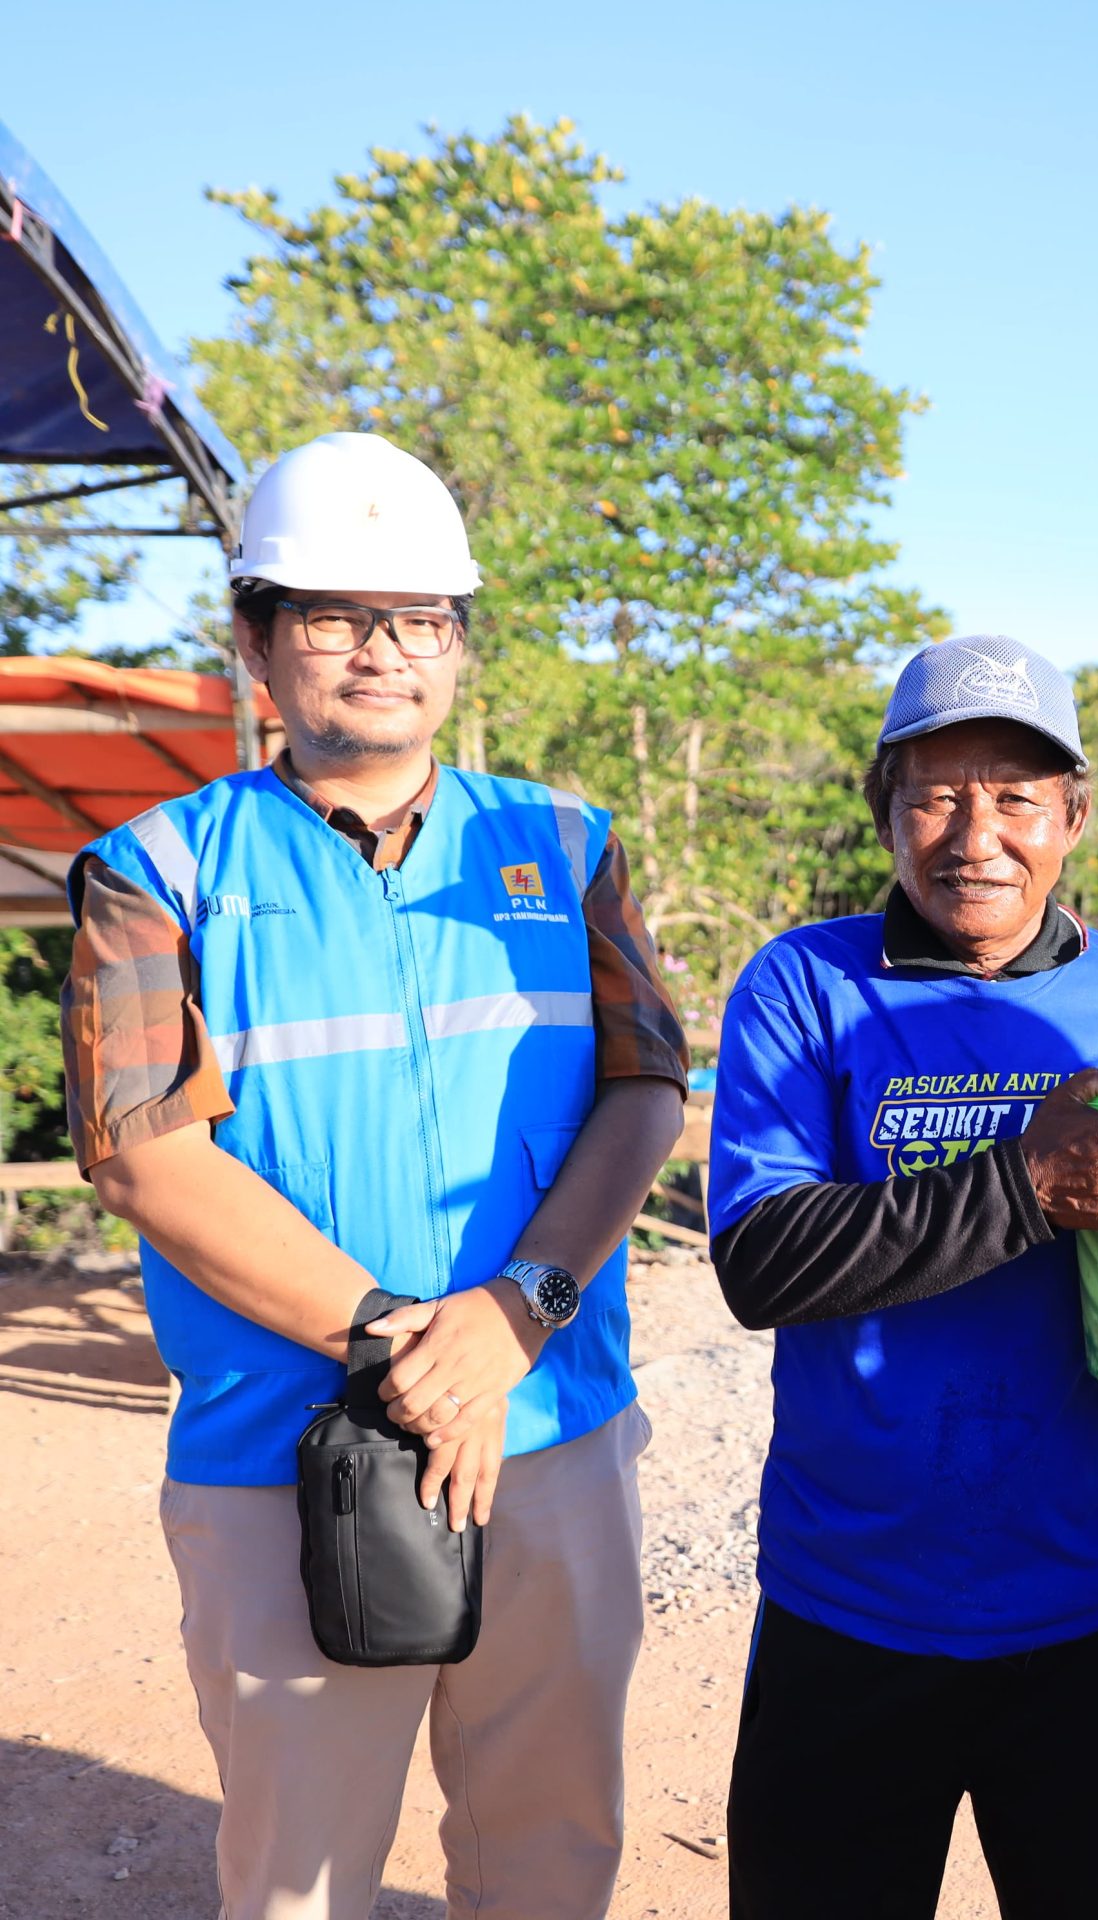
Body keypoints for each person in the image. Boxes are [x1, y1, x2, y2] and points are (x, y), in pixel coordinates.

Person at [63, 430, 689, 1920]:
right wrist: (409, 1343)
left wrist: (517, 1316)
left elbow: (645, 1086)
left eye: (418, 620)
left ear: (459, 644)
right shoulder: (159, 871)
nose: (381, 653)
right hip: (287, 1465)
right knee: (304, 1881)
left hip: (548, 1434)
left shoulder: (563, 840)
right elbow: (141, 1154)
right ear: (257, 640)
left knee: (552, 1854)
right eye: (336, 616)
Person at [707, 635, 1098, 1920]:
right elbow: (763, 1261)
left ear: (1074, 814)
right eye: (935, 793)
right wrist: (1022, 1184)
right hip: (853, 1602)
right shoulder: (803, 984)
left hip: (1093, 1598)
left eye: (1014, 795)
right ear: (885, 809)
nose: (974, 834)